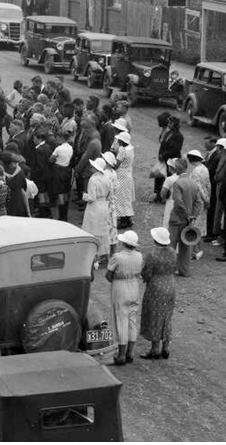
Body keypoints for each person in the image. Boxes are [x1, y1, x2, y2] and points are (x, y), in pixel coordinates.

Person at [106, 230, 143, 366]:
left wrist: (116, 279)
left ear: (124, 243)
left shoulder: (118, 257)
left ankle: (121, 354)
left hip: (120, 287)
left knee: (121, 319)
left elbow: (108, 275)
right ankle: (130, 353)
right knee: (132, 320)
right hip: (134, 285)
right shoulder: (139, 256)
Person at [139, 227, 177, 360]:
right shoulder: (172, 252)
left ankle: (155, 349)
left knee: (155, 316)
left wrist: (147, 279)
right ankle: (166, 347)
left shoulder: (152, 254)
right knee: (167, 316)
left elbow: (146, 272)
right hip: (170, 284)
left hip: (156, 287)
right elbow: (174, 267)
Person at [165, 158, 201, 277]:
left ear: (177, 168)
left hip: (177, 218)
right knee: (186, 246)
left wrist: (187, 214)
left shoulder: (178, 183)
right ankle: (184, 270)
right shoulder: (193, 183)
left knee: (171, 244)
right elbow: (199, 202)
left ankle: (169, 269)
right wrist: (193, 216)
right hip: (188, 221)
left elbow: (178, 201)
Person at [82, 153, 118, 262]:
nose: (91, 168)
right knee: (102, 231)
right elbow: (110, 194)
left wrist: (85, 196)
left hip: (94, 206)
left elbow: (92, 197)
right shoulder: (107, 177)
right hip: (104, 205)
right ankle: (103, 255)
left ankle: (93, 255)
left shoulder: (93, 180)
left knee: (92, 229)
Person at [154, 115, 183, 202]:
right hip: (163, 159)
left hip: (171, 160)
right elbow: (162, 145)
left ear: (175, 124)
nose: (169, 125)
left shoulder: (179, 136)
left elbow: (175, 149)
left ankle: (166, 195)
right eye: (168, 123)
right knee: (159, 176)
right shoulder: (168, 133)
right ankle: (158, 194)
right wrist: (160, 155)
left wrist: (164, 155)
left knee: (169, 177)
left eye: (171, 123)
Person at [112, 132, 136, 229]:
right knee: (125, 198)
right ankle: (128, 218)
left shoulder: (122, 150)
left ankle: (123, 220)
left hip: (121, 175)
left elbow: (117, 164)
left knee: (120, 197)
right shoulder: (131, 149)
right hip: (128, 174)